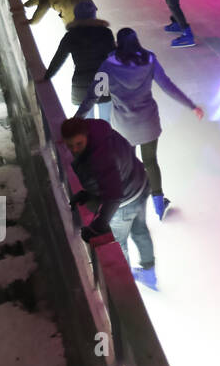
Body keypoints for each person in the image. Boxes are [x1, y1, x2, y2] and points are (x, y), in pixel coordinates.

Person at [76, 28, 205, 222]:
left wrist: (77, 118)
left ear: (118, 43)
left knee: (126, 164)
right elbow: (167, 86)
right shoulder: (149, 59)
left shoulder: (108, 65)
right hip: (147, 122)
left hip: (123, 127)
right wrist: (191, 105)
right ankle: (159, 205)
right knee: (150, 161)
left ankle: (124, 202)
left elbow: (92, 96)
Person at [61, 117, 158, 290]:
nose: (74, 149)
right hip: (140, 184)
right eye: (70, 145)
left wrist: (97, 226)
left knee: (119, 242)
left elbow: (113, 196)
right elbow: (111, 174)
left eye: (79, 144)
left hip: (125, 201)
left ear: (86, 135)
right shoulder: (102, 132)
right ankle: (150, 274)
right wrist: (89, 194)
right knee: (140, 230)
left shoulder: (100, 156)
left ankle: (127, 283)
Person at [43, 1, 115, 121]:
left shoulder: (71, 36)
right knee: (105, 122)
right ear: (93, 15)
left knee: (86, 124)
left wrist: (47, 76)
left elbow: (58, 59)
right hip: (103, 84)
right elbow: (114, 57)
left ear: (76, 15)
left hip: (81, 87)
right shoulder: (105, 33)